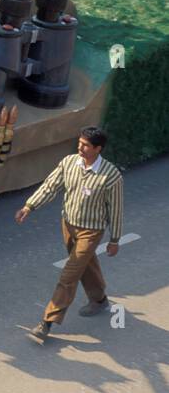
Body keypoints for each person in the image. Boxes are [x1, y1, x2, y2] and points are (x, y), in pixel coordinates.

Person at [15, 127, 124, 344]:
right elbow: (50, 186)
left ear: (98, 149)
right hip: (68, 225)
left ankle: (47, 322)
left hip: (91, 232)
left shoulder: (111, 176)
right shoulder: (68, 163)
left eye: (85, 145)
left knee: (69, 275)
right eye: (80, 143)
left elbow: (116, 209)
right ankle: (100, 300)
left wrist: (115, 239)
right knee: (85, 265)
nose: (80, 147)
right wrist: (29, 206)